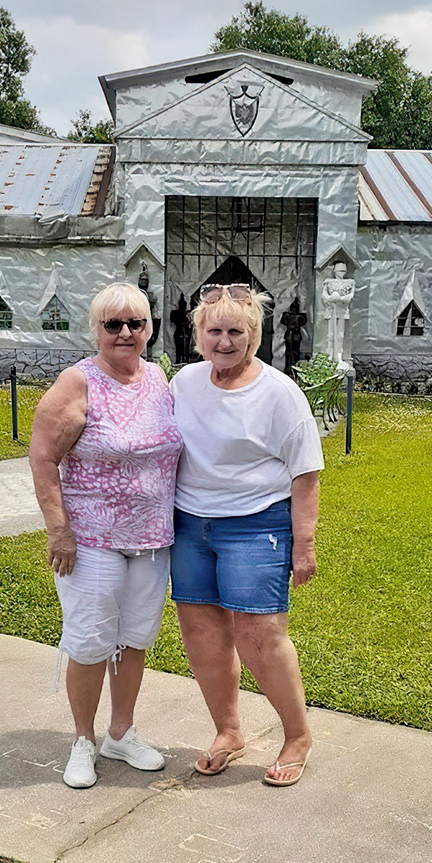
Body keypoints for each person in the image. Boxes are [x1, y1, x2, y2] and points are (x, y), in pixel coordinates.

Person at [169, 282, 324, 787]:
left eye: (237, 330)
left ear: (255, 334)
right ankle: (228, 731)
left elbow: (306, 474)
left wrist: (304, 545)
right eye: (214, 331)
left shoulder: (279, 393)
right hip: (190, 526)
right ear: (198, 335)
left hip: (258, 526)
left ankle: (297, 735)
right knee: (202, 633)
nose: (225, 341)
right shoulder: (184, 384)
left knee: (259, 636)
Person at [29, 282, 183, 789]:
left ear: (149, 329)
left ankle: (121, 733)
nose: (125, 332)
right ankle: (83, 740)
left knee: (135, 639)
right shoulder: (78, 383)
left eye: (135, 323)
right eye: (112, 324)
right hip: (91, 537)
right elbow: (44, 457)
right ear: (95, 329)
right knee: (92, 641)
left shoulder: (159, 377)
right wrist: (59, 532)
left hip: (152, 536)